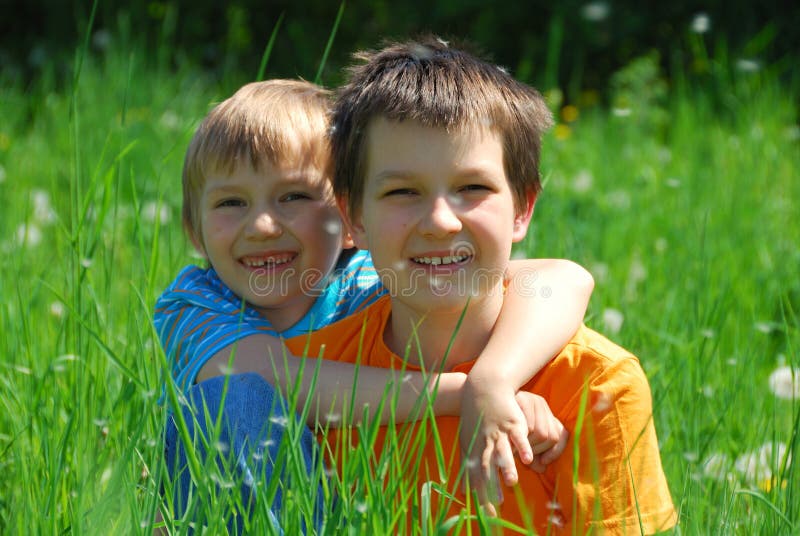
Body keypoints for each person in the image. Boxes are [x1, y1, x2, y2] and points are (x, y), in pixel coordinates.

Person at [279, 37, 678, 534]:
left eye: (473, 188)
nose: (441, 221)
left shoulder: (595, 386)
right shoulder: (315, 377)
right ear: (353, 217)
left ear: (523, 207)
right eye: (403, 191)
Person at [156, 79, 593, 530]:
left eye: (294, 197)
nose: (263, 225)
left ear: (350, 220)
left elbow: (565, 279)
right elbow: (278, 381)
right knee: (230, 402)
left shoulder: (371, 276)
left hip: (377, 502)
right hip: (249, 510)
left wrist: (496, 381)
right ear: (194, 230)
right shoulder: (195, 304)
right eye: (231, 202)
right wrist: (466, 394)